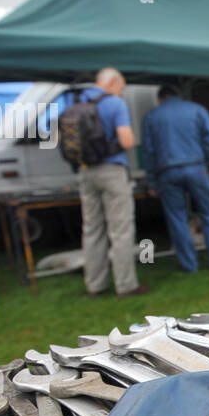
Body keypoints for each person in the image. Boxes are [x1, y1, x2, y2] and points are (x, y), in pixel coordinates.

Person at [141, 86, 209, 272]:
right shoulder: (197, 110)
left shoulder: (151, 116)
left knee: (177, 218)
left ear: (160, 99)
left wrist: (151, 181)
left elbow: (148, 152)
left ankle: (189, 264)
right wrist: (207, 162)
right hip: (196, 167)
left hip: (167, 171)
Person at [77, 68, 146, 297]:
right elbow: (126, 140)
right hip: (111, 170)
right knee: (120, 230)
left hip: (85, 171)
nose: (122, 92)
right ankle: (126, 285)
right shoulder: (115, 103)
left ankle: (95, 285)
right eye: (122, 87)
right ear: (113, 82)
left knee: (92, 229)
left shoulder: (78, 100)